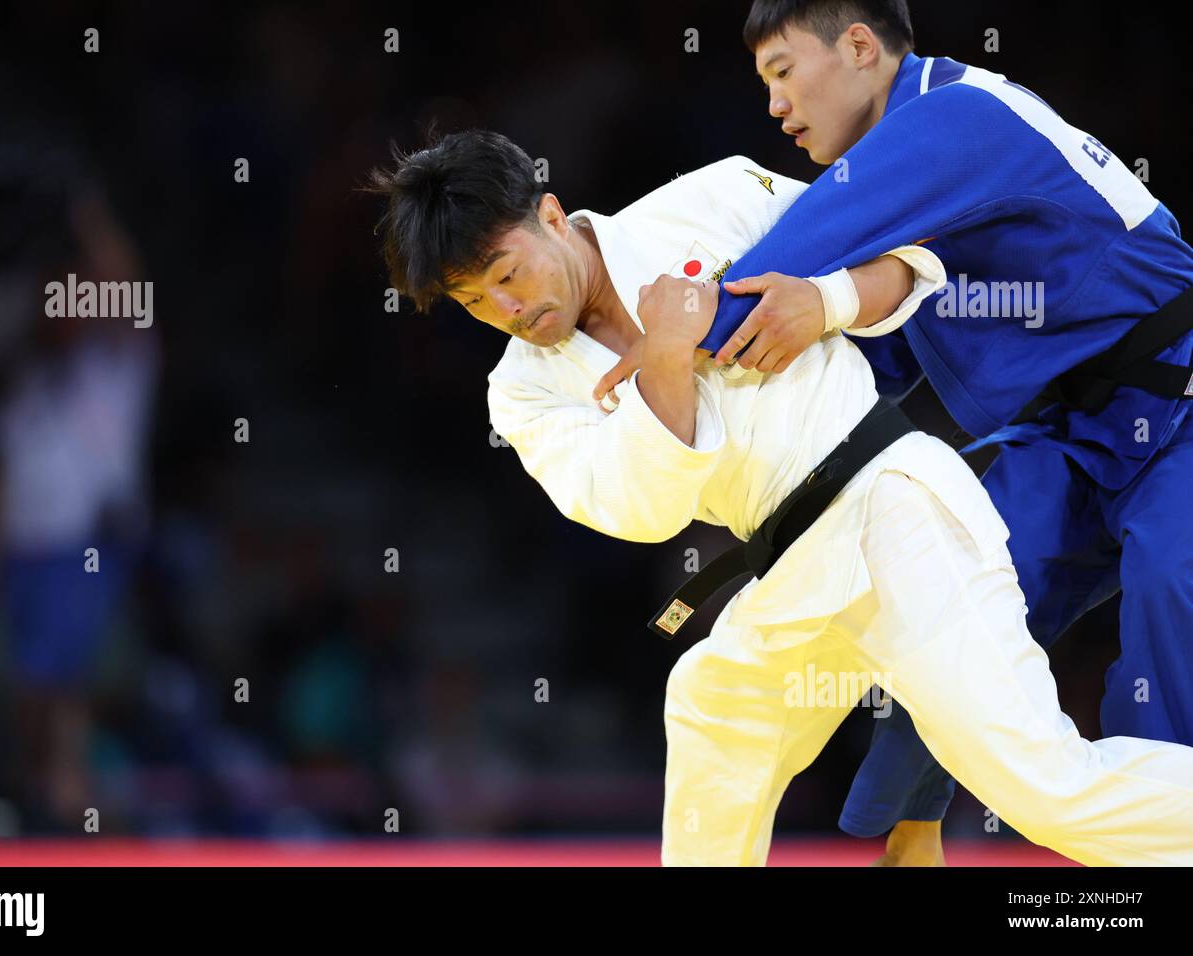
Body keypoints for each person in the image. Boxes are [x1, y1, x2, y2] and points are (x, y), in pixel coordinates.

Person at [367, 129, 1193, 865]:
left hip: (894, 503)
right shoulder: (521, 393)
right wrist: (666, 352)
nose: (508, 310)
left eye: (506, 274)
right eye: (476, 303)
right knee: (712, 714)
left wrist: (824, 301)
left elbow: (910, 257)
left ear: (550, 213)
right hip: (796, 563)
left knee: (1043, 786)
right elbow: (641, 512)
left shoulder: (713, 196)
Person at [689, 0, 1193, 865]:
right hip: (1068, 436)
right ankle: (914, 829)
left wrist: (625, 316)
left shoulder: (953, 119)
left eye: (782, 71)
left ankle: (1164, 846)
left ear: (858, 46)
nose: (774, 105)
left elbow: (741, 299)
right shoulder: (900, 183)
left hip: (1180, 405)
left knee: (1170, 582)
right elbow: (854, 379)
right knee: (962, 577)